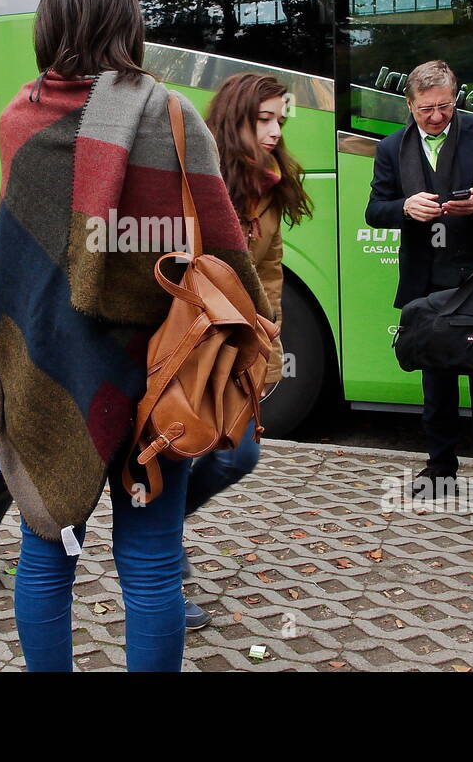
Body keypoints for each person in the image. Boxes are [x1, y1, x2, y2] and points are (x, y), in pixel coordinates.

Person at [0, 0, 274, 670]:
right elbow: (224, 258)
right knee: (150, 565)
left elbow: (26, 262)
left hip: (50, 373)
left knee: (45, 554)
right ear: (128, 23)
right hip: (156, 379)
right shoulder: (173, 118)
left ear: (49, 25)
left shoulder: (18, 120)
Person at [180, 72, 314, 630]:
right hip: (191, 350)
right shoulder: (198, 178)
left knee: (239, 454)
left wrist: (268, 337)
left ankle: (153, 528)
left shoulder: (270, 185)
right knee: (182, 453)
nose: (275, 131)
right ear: (235, 118)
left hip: (238, 349)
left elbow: (269, 266)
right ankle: (156, 560)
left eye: (281, 120)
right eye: (264, 119)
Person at [365, 60, 473, 504]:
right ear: (410, 105)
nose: (436, 116)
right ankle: (440, 465)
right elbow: (374, 209)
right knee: (435, 378)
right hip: (426, 277)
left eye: (445, 106)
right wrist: (404, 208)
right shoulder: (392, 147)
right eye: (426, 110)